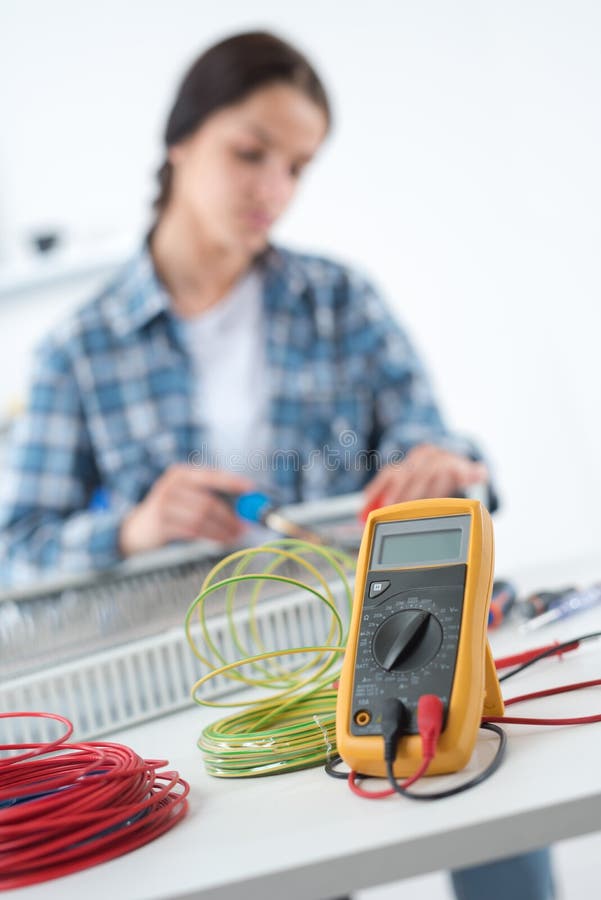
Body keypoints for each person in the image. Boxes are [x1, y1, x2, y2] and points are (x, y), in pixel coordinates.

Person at [0, 31, 554, 899]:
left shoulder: (340, 300)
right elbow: (16, 549)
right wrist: (135, 527)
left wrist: (439, 468)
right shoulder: (76, 351)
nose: (273, 190)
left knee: (489, 793)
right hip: (223, 691)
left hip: (376, 637)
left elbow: (445, 451)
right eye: (250, 153)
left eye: (296, 166)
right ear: (180, 141)